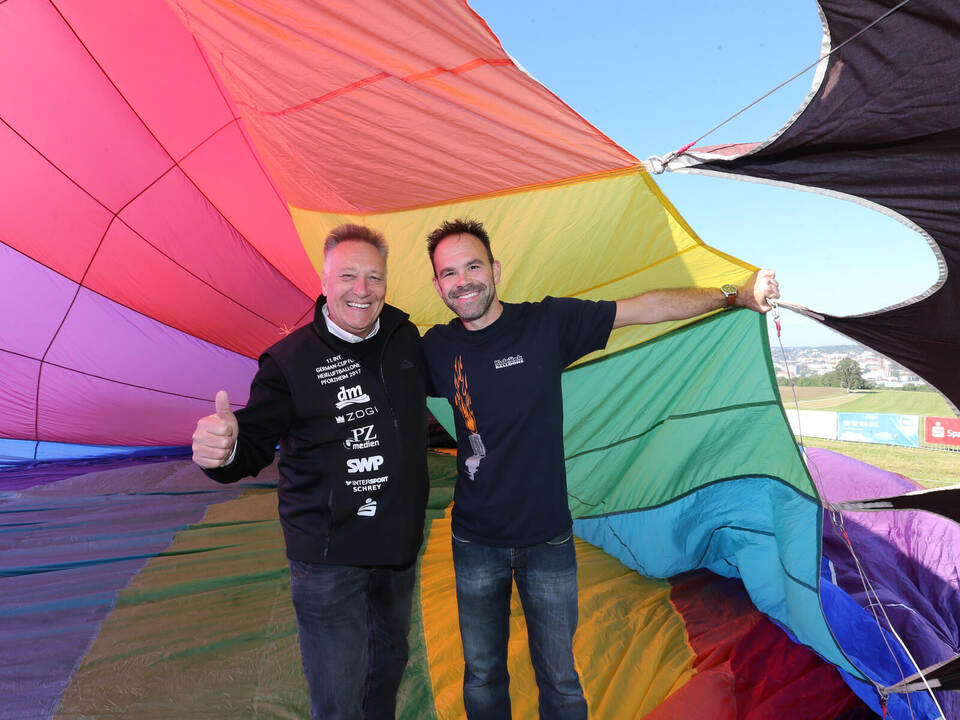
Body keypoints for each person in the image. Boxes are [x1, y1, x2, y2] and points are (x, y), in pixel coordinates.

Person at [421, 218, 779, 720]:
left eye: (473, 266)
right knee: (482, 675)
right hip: (474, 543)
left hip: (547, 540)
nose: (463, 281)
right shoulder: (434, 348)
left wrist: (733, 295)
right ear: (438, 285)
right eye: (449, 273)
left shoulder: (545, 324)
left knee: (561, 680)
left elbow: (642, 308)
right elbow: (365, 357)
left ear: (495, 269)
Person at [191, 224, 429, 720]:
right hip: (329, 559)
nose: (361, 290)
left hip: (398, 550)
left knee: (387, 669)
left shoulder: (406, 340)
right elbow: (251, 443)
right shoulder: (289, 362)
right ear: (323, 283)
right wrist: (224, 451)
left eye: (374, 277)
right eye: (348, 276)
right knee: (338, 691)